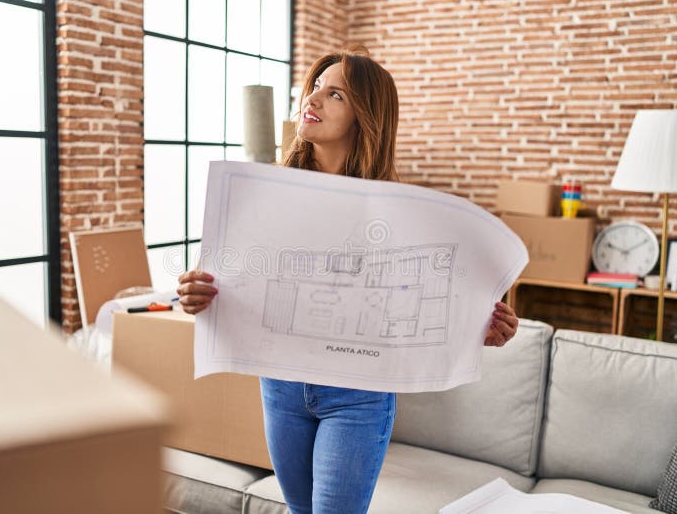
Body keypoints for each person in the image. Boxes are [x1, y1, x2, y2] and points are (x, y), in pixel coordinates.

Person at [176, 49, 519, 514]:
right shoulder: (264, 196)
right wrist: (197, 293)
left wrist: (480, 326)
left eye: (334, 93)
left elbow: (420, 300)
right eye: (316, 84)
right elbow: (234, 282)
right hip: (281, 389)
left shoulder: (401, 214)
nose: (312, 97)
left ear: (366, 117)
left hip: (357, 398)